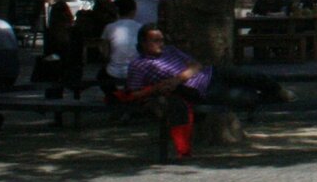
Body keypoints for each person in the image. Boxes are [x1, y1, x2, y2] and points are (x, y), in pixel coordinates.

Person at [121, 26, 293, 158]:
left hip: (209, 73)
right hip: (199, 90)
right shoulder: (139, 65)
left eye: (161, 40)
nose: (161, 44)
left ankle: (278, 91)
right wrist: (157, 89)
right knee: (245, 96)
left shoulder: (171, 51)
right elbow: (134, 93)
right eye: (155, 41)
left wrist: (178, 78)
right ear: (143, 43)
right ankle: (271, 97)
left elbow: (196, 65)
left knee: (249, 75)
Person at [98, 0, 143, 99]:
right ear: (133, 11)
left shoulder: (109, 27)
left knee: (100, 76)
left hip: (113, 71)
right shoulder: (140, 27)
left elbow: (104, 52)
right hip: (135, 71)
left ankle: (113, 97)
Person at [38, 0, 83, 99]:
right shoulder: (75, 31)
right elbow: (78, 51)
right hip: (72, 66)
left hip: (57, 65)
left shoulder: (51, 32)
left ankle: (51, 98)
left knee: (51, 68)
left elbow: (48, 52)